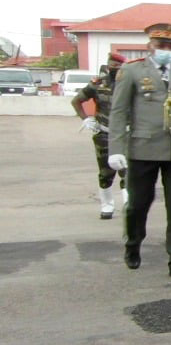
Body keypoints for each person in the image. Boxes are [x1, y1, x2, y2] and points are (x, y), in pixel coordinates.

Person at [107, 23, 171, 280]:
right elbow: (119, 112)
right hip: (143, 148)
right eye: (161, 45)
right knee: (138, 205)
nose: (165, 50)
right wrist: (116, 149)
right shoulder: (131, 71)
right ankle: (133, 243)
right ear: (149, 46)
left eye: (170, 46)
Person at [71, 51, 127, 219]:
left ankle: (128, 205)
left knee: (127, 171)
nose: (114, 68)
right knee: (105, 172)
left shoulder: (129, 84)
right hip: (103, 132)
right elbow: (76, 101)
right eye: (112, 64)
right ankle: (107, 206)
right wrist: (86, 119)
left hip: (125, 134)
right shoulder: (98, 84)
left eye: (117, 65)